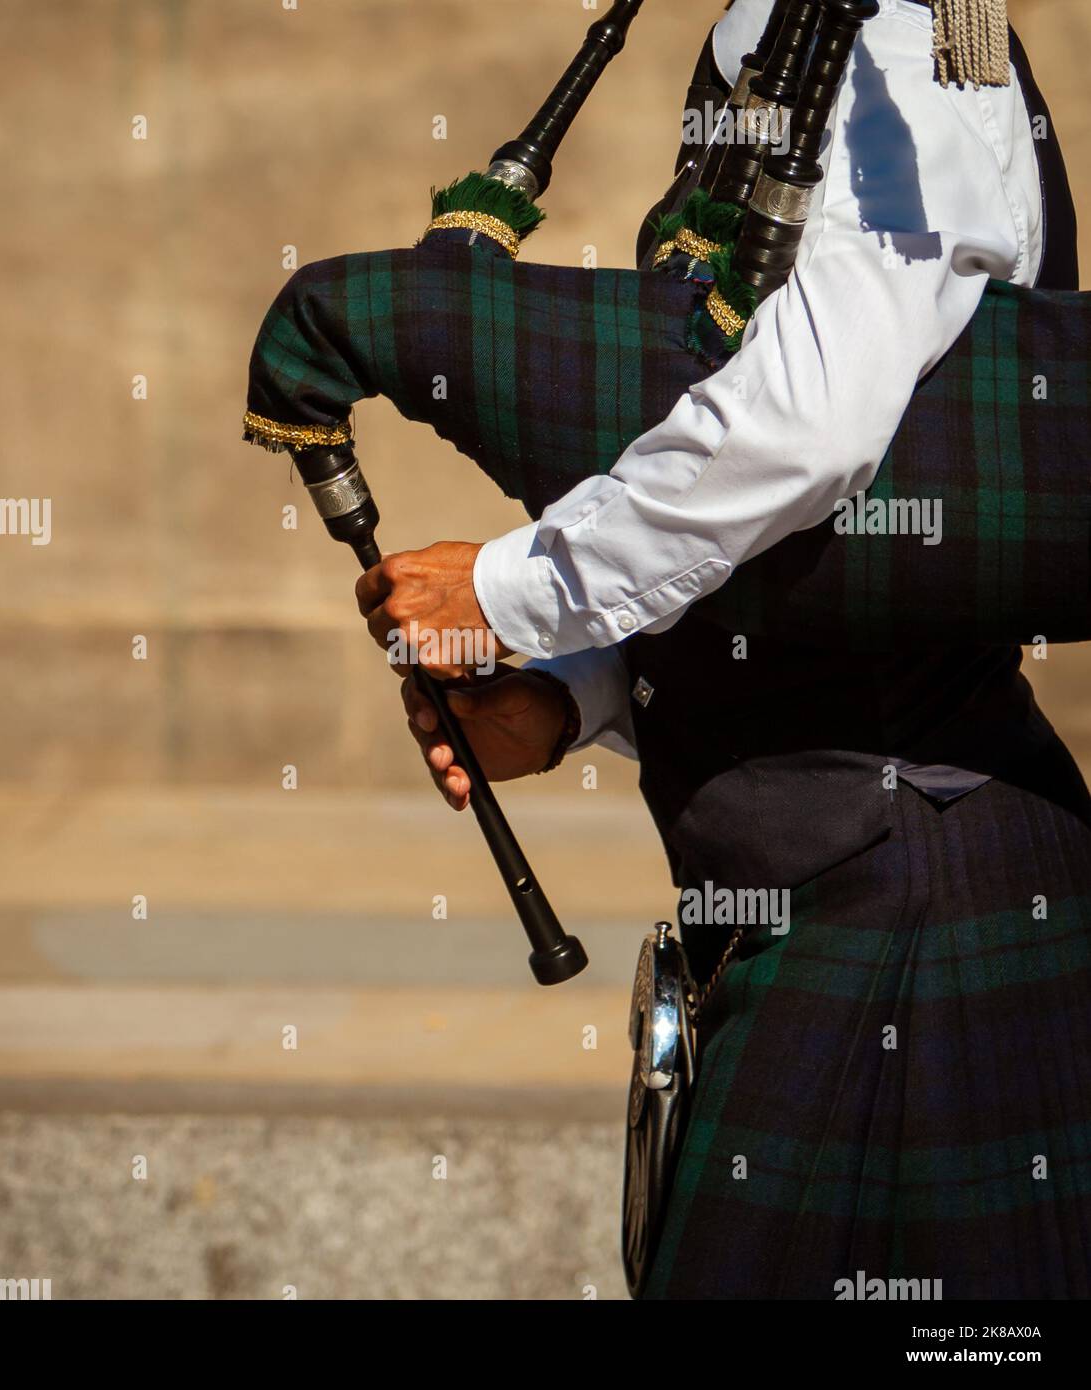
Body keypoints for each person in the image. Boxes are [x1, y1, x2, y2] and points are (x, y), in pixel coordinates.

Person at [354, 0, 1091, 1298]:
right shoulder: (810, 29)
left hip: (903, 904)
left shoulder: (886, 36)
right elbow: (839, 541)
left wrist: (515, 588)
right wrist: (571, 689)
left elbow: (808, 435)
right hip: (857, 879)